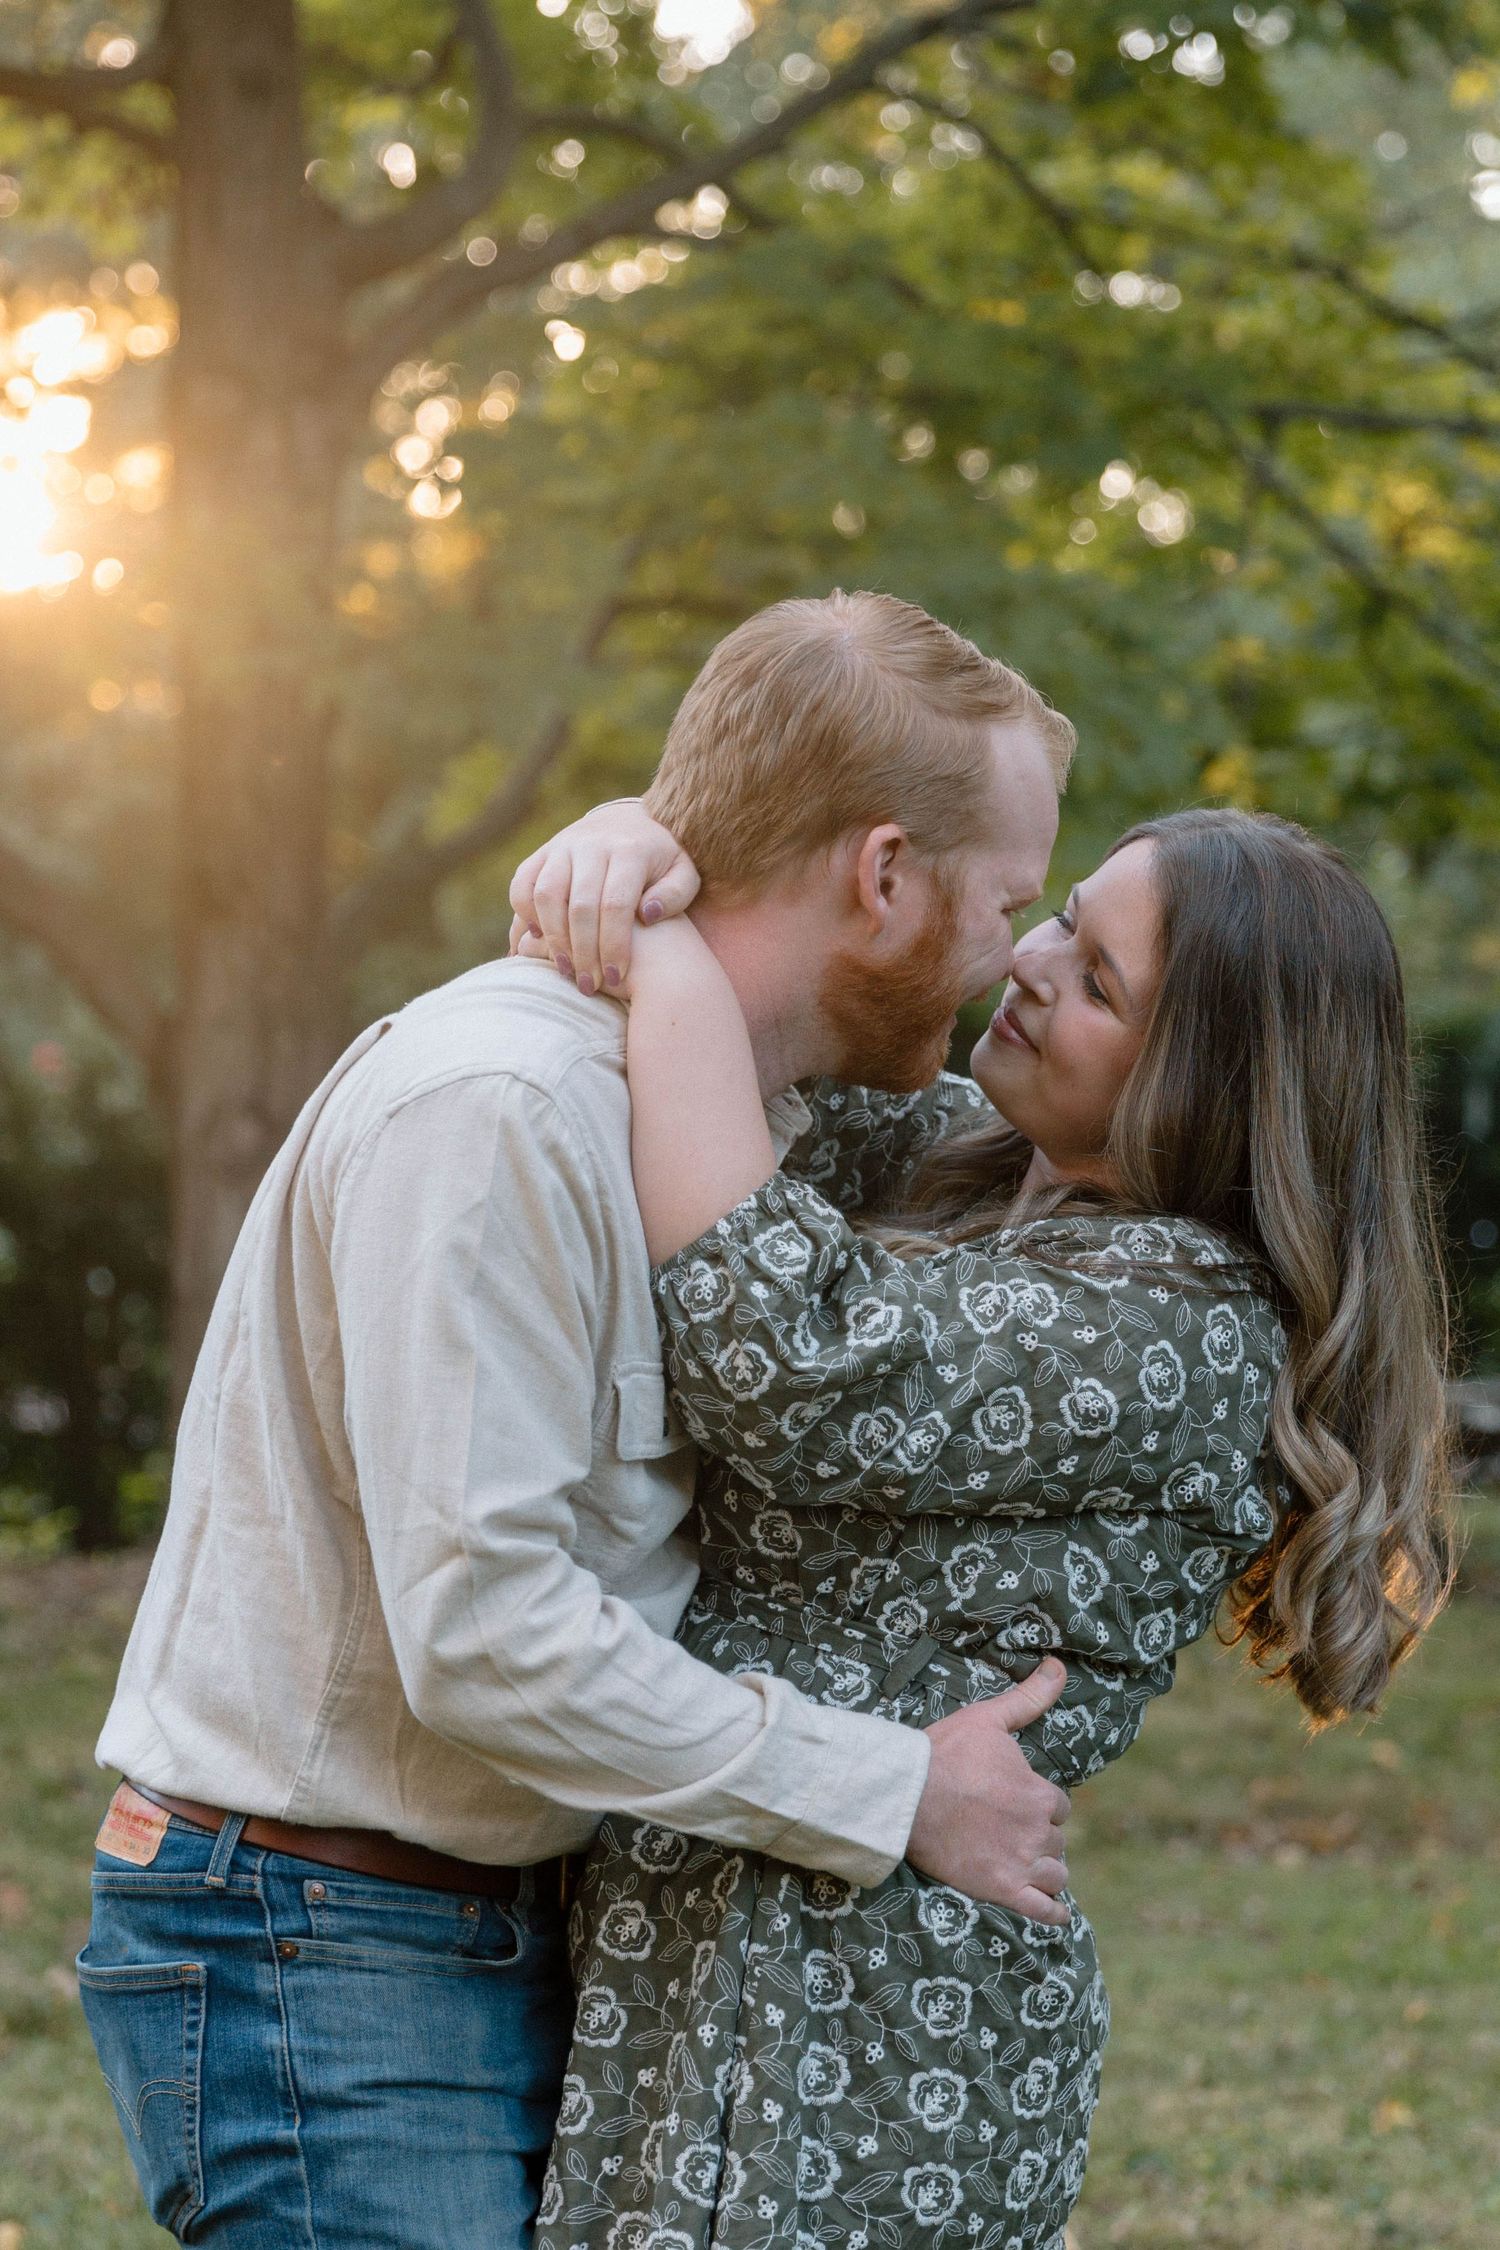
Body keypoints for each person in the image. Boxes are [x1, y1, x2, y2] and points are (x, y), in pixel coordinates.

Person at [77, 593, 1080, 2249]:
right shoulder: (506, 1112)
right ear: (883, 874)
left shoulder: (760, 1123)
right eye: (1008, 906)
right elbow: (482, 1630)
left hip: (492, 1927)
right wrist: (890, 1788)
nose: (1012, 962)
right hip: (316, 1942)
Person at [511, 798, 1454, 2249]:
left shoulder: (1181, 1323)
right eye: (1066, 916)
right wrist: (644, 845)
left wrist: (669, 950)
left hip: (879, 2032)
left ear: (1200, 1088)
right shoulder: (968, 1166)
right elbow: (784, 1030)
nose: (1032, 959)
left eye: (1098, 981)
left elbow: (792, 1352)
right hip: (719, 1963)